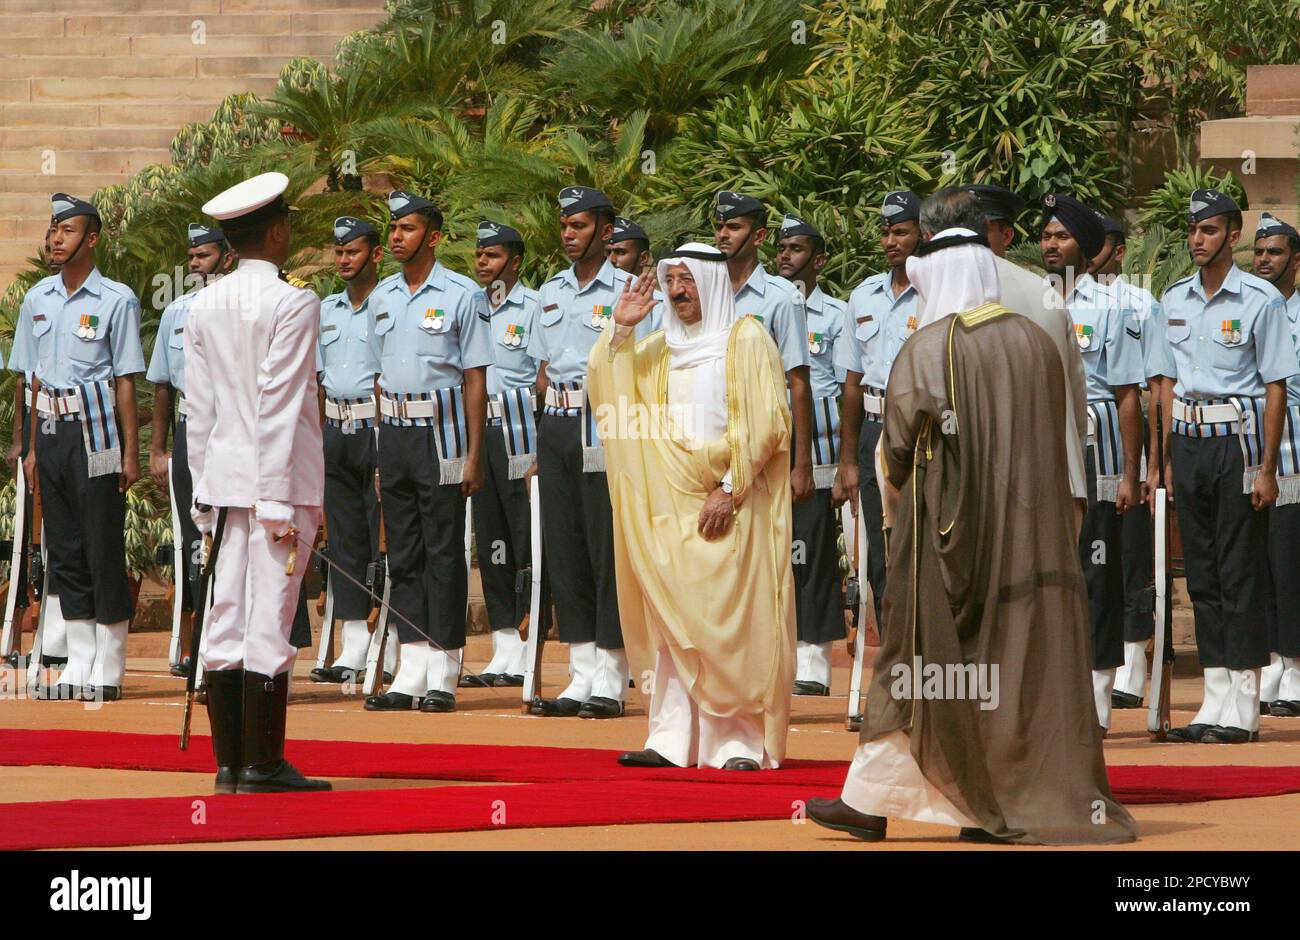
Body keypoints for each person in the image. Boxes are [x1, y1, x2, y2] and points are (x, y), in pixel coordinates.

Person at [805, 189, 1137, 844]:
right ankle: (985, 804)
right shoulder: (1036, 335)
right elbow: (1070, 421)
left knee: (912, 661)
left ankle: (873, 803)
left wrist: (899, 511)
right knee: (1006, 667)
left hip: (946, 533)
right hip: (1028, 530)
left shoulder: (931, 347)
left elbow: (894, 450)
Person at [588, 242, 796, 769]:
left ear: (713, 283)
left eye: (689, 280)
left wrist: (729, 487)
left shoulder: (745, 339)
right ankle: (670, 739)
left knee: (730, 626)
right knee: (673, 627)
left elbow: (770, 421)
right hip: (668, 507)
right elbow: (610, 387)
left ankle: (737, 743)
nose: (678, 291)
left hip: (729, 500)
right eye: (671, 280)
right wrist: (620, 331)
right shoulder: (657, 348)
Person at [186, 171, 328, 793]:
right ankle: (261, 764)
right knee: (269, 612)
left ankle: (229, 764)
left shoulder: (201, 304)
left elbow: (202, 409)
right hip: (278, 485)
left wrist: (201, 493)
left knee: (225, 614)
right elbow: (278, 404)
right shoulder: (295, 301)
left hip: (223, 481)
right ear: (275, 232)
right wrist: (274, 496)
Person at [1156, 189, 1294, 744]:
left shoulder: (1261, 300)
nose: (1197, 239)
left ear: (1232, 237)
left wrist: (1266, 469)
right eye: (1193, 229)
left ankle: (1243, 700)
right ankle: (1214, 699)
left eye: (1209, 229)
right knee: (1205, 573)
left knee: (1239, 570)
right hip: (1187, 443)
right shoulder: (1173, 300)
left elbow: (1277, 386)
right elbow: (1162, 386)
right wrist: (1162, 462)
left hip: (1236, 443)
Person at [10, 193, 144, 702]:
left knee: (101, 541)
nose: (54, 240)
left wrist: (130, 454)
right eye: (52, 230)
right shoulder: (37, 299)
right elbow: (27, 377)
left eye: (66, 232)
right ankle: (79, 655)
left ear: (91, 239)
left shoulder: (117, 299)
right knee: (64, 545)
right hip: (50, 432)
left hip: (99, 433)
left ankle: (109, 659)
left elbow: (127, 380)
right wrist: (25, 445)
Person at [525, 187, 650, 719]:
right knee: (567, 545)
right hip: (556, 422)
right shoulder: (548, 291)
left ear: (606, 229)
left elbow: (651, 367)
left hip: (607, 422)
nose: (570, 234)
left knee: (606, 548)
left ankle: (612, 673)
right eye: (565, 225)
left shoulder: (634, 289)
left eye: (580, 225)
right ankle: (579, 674)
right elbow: (540, 369)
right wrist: (539, 440)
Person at [363, 191, 489, 713]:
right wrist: (378, 452)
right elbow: (377, 376)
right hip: (394, 432)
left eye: (407, 228)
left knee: (442, 550)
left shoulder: (461, 293)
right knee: (404, 551)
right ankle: (410, 665)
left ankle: (445, 666)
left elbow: (476, 378)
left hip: (442, 434)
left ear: (432, 237)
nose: (396, 236)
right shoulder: (382, 296)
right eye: (393, 227)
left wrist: (475, 455)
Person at [1039, 195, 1144, 732]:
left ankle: (1099, 692)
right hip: (1042, 449)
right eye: (1046, 236)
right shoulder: (1031, 302)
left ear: (1088, 246)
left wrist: (1130, 473)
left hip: (1095, 447)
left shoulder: (1112, 306)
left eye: (1062, 236)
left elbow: (1128, 394)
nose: (1051, 245)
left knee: (1096, 572)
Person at [966, 182, 1090, 510]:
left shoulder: (948, 294)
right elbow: (1076, 402)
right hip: (1048, 477)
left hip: (988, 477)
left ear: (1006, 236)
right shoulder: (1045, 293)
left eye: (978, 229)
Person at [148, 222, 236, 678]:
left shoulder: (243, 306)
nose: (195, 263)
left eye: (203, 254)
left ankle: (231, 640)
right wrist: (158, 449)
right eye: (191, 256)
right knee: (190, 537)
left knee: (233, 533)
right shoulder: (175, 312)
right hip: (188, 431)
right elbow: (162, 385)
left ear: (227, 254)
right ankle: (193, 638)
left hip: (232, 428)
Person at [834, 191, 922, 642]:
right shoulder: (862, 294)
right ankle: (893, 661)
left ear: (923, 233)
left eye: (900, 231)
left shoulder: (937, 294)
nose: (891, 241)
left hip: (920, 431)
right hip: (872, 427)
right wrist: (848, 460)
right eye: (885, 232)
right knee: (879, 553)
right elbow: (851, 384)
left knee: (920, 545)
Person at [307, 216, 390, 685]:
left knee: (385, 531)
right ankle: (355, 639)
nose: (343, 259)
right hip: (336, 429)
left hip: (377, 426)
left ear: (375, 254)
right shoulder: (327, 310)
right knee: (345, 538)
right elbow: (318, 383)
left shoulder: (388, 304)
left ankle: (393, 639)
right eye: (339, 252)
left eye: (353, 251)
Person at [461, 220, 541, 688]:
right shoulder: (469, 306)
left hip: (520, 427)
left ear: (514, 260)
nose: (482, 264)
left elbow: (542, 375)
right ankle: (504, 645)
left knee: (523, 535)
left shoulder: (532, 307)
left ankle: (530, 641)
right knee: (489, 537)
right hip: (479, 429)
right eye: (478, 255)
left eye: (491, 256)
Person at [1091, 213, 1167, 709]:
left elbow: (1157, 387)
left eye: (1099, 243)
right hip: (1087, 446)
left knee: (1132, 556)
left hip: (1129, 446)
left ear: (1118, 251)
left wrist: (1153, 463)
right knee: (1095, 560)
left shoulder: (1142, 303)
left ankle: (1134, 665)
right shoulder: (1062, 301)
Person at [775, 214, 845, 695]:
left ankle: (814, 658)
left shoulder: (836, 316)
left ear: (818, 260)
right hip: (766, 441)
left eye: (796, 249)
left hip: (816, 444)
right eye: (781, 247)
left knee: (813, 550)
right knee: (772, 553)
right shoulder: (759, 306)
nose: (785, 255)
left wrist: (842, 460)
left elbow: (846, 390)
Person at [713, 192, 813, 506]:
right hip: (713, 433)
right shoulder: (705, 290)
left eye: (733, 227)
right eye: (719, 227)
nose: (723, 235)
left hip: (763, 439)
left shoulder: (781, 297)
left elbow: (798, 382)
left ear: (758, 236)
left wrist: (803, 464)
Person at [1251, 212, 1300, 717]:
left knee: (1289, 566)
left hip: (1293, 457)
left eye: (1276, 252)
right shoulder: (1245, 305)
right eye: (1260, 251)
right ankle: (1266, 663)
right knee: (1254, 565)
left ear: (1296, 261)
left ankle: (1295, 666)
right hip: (1244, 455)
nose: (1265, 259)